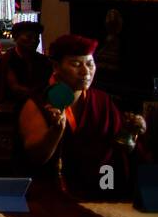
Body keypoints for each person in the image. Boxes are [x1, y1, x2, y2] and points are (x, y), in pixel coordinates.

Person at [18, 34, 148, 200]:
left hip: (101, 187)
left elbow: (121, 149)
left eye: (90, 64)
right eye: (76, 64)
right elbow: (36, 158)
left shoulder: (102, 100)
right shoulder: (37, 102)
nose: (85, 71)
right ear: (56, 66)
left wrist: (130, 132)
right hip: (51, 192)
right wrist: (56, 131)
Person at [0, 20, 52, 107]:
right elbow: (13, 88)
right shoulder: (5, 60)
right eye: (29, 37)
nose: (34, 41)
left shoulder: (44, 61)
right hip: (9, 107)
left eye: (37, 38)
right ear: (16, 37)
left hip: (39, 107)